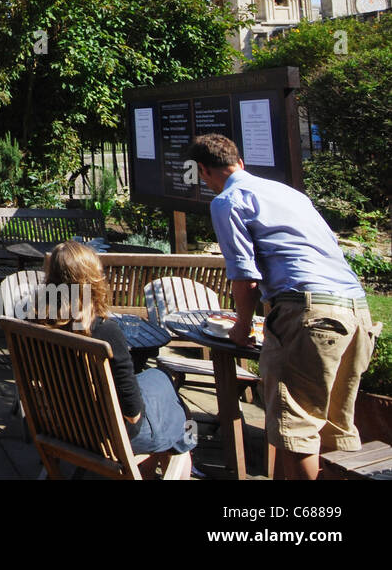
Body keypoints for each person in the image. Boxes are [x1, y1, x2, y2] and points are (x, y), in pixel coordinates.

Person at [186, 133, 377, 480]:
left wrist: (241, 328)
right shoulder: (289, 194)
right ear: (239, 162)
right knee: (335, 426)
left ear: (203, 170)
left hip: (309, 315)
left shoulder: (227, 200)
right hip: (356, 310)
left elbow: (245, 277)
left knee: (297, 430)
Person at [39, 241, 196, 473]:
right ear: (93, 279)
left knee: (157, 380)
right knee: (181, 417)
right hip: (108, 436)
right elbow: (132, 412)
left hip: (61, 427)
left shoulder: (36, 326)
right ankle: (183, 452)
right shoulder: (104, 331)